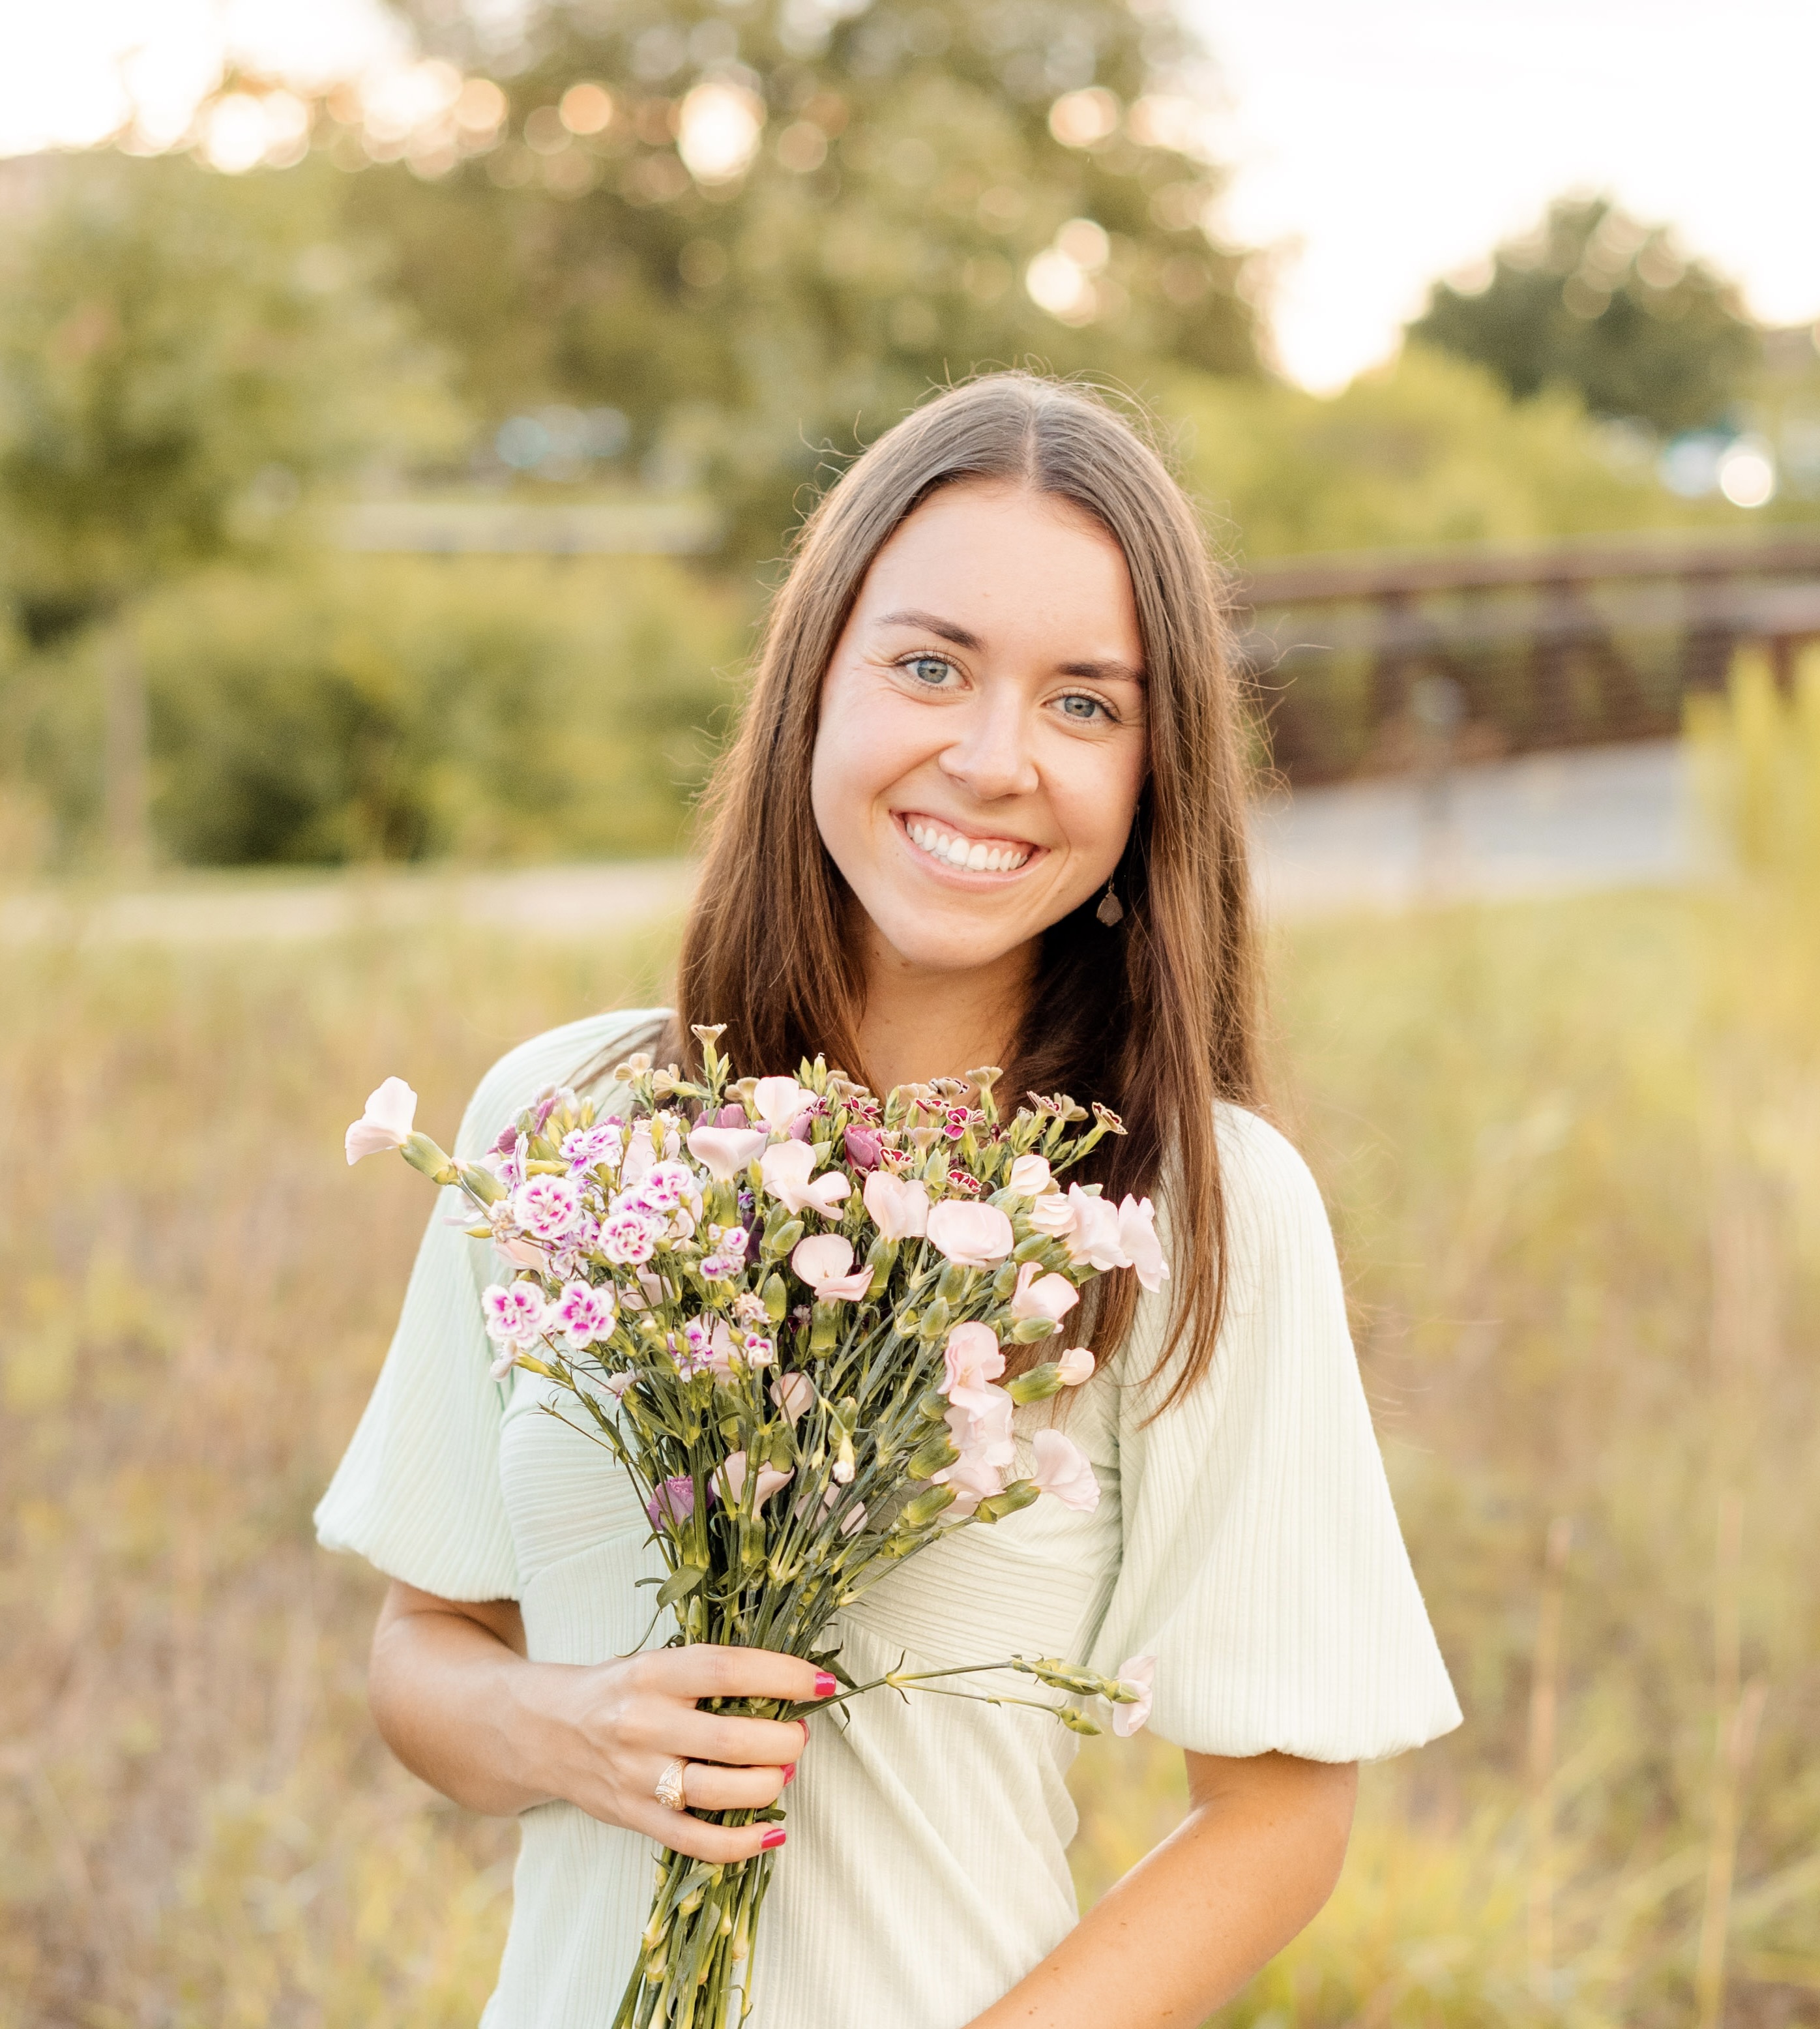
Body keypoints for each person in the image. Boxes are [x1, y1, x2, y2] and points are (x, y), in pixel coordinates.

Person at [316, 373, 1461, 2028]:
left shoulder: (1189, 1206)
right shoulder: (566, 1124)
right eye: (929, 666)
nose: (992, 758)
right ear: (813, 692)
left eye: (1086, 704)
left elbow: (1279, 1813)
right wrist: (565, 1727)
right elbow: (425, 1646)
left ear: (1154, 776)